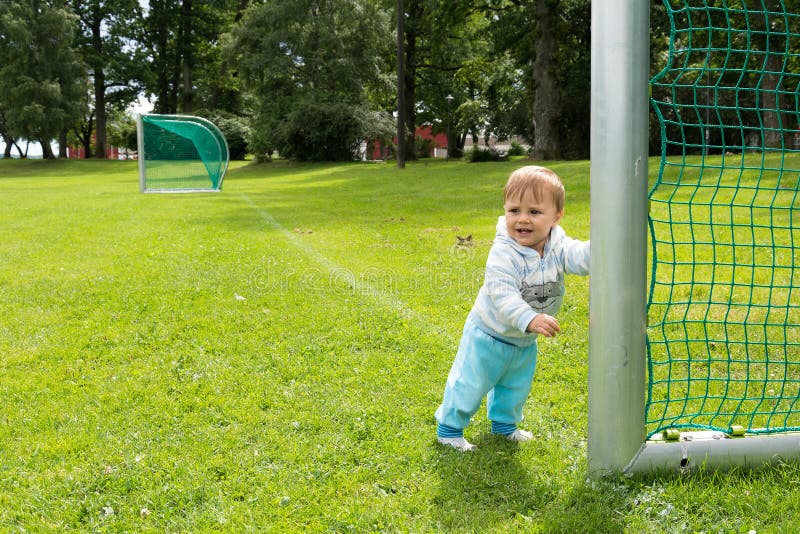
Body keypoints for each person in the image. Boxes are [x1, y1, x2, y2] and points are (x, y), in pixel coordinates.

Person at [434, 165, 590, 451]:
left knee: (515, 386)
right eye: (514, 210)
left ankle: (504, 426)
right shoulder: (504, 252)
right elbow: (501, 294)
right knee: (470, 383)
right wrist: (529, 318)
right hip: (489, 335)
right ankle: (449, 429)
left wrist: (606, 244)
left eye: (534, 212)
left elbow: (581, 258)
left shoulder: (558, 245)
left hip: (523, 340)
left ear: (557, 215)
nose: (522, 220)